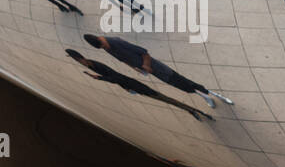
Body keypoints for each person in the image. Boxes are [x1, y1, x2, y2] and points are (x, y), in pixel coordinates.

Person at [83, 34, 232, 108]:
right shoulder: (107, 48)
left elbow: (143, 52)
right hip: (148, 70)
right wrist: (135, 68)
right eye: (102, 48)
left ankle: (212, 94)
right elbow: (124, 60)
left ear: (100, 39)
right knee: (180, 85)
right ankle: (204, 94)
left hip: (155, 66)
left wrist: (147, 65)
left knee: (182, 81)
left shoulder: (115, 41)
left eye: (103, 45)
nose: (105, 48)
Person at [65, 49, 213, 121]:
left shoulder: (95, 65)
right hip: (131, 86)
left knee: (165, 99)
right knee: (164, 99)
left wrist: (100, 78)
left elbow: (115, 77)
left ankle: (194, 111)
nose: (79, 63)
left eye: (77, 60)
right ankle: (192, 110)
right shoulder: (92, 66)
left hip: (134, 85)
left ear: (80, 58)